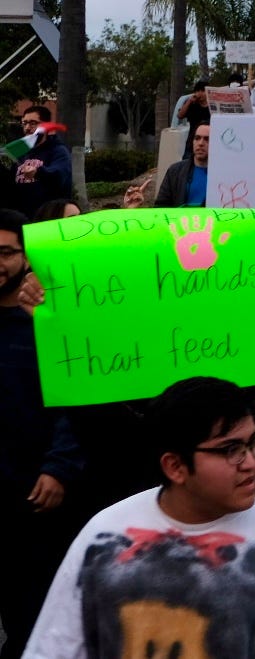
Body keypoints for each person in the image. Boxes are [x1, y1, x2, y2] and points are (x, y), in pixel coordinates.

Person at [23, 376, 255, 658]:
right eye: (231, 449)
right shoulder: (104, 536)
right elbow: (52, 649)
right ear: (174, 466)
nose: (250, 462)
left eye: (254, 444)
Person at [0, 211, 81, 658]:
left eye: (6, 253)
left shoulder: (49, 321)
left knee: (30, 620)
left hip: (32, 498)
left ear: (27, 258)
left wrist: (59, 467)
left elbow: (75, 398)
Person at [150, 124, 211, 208]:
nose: (200, 143)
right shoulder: (175, 171)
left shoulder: (222, 175)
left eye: (207, 139)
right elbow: (160, 207)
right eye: (197, 138)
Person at [176, 81, 211, 159]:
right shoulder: (192, 105)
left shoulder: (212, 106)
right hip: (192, 143)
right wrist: (189, 101)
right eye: (197, 91)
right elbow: (180, 115)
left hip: (209, 143)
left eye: (202, 91)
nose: (199, 93)